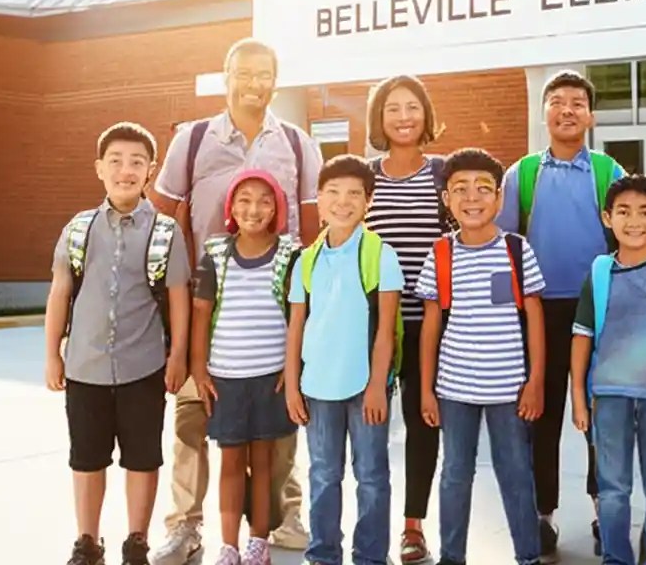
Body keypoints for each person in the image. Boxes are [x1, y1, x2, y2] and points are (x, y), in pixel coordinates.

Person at [149, 38, 322, 565]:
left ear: (276, 78)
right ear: (226, 76)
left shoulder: (296, 143)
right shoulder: (193, 139)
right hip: (205, 301)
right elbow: (162, 220)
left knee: (279, 421)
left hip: (273, 303)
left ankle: (282, 517)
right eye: (244, 72)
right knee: (193, 420)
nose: (255, 81)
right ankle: (185, 525)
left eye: (265, 73)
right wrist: (171, 297)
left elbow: (312, 231)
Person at [45, 122, 190, 565]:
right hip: (85, 366)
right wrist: (53, 353)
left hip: (143, 366)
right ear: (99, 169)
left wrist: (178, 356)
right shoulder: (78, 228)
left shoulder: (166, 232)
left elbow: (179, 298)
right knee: (86, 458)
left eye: (136, 162)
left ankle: (136, 541)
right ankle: (87, 542)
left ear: (151, 171)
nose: (126, 170)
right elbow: (59, 293)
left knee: (142, 458)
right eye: (116, 161)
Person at [497, 70, 625, 562]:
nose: (567, 109)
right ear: (544, 111)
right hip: (538, 312)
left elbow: (626, 244)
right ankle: (543, 514)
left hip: (596, 309)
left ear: (590, 116)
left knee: (600, 416)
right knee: (542, 415)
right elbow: (503, 252)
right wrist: (506, 313)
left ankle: (603, 509)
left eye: (577, 102)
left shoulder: (607, 173)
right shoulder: (522, 174)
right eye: (557, 101)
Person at [417, 148, 547, 565]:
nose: (472, 198)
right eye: (460, 189)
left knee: (515, 474)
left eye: (483, 189)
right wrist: (426, 390)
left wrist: (536, 381)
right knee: (455, 473)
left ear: (499, 197)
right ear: (446, 199)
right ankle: (451, 556)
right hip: (454, 389)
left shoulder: (515, 249)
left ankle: (528, 555)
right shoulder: (440, 254)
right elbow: (430, 327)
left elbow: (535, 317)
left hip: (510, 388)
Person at [284, 155, 404, 565]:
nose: (343, 201)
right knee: (323, 474)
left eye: (355, 193)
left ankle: (371, 556)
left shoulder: (380, 255)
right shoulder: (306, 260)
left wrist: (377, 385)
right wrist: (292, 384)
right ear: (318, 199)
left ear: (368, 202)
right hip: (317, 387)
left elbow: (386, 327)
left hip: (366, 386)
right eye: (333, 192)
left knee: (371, 476)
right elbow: (296, 326)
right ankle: (323, 554)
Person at [570, 175, 646, 565]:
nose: (634, 221)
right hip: (608, 397)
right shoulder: (599, 273)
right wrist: (578, 397)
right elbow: (581, 337)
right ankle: (615, 557)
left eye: (645, 213)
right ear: (608, 218)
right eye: (623, 212)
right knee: (612, 488)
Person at [361, 74, 451, 563]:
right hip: (373, 327)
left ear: (426, 114)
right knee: (369, 427)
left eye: (412, 107)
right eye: (392, 108)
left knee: (423, 425)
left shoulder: (442, 173)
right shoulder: (363, 176)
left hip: (428, 326)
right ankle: (370, 523)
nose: (403, 117)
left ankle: (413, 526)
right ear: (379, 117)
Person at [190, 170, 301, 565]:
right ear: (231, 208)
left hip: (270, 377)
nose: (254, 209)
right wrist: (199, 371)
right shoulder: (217, 254)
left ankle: (258, 541)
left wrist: (293, 368)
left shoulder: (290, 255)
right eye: (244, 200)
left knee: (265, 460)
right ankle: (229, 544)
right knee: (231, 460)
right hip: (226, 379)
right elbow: (201, 314)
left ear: (277, 208)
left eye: (264, 201)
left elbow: (298, 315)